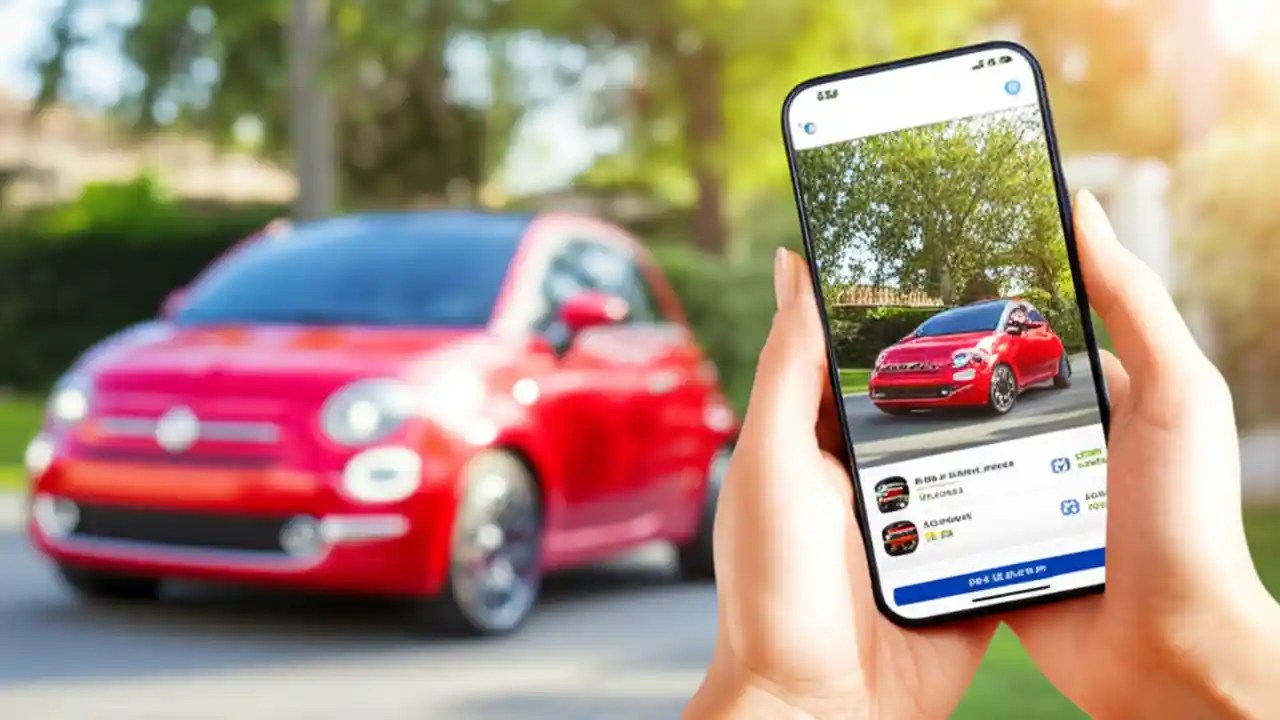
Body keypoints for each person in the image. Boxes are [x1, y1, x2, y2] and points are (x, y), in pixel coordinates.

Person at [683, 191, 1280, 719]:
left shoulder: (1012, 329)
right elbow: (899, 359)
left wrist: (783, 699)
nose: (911, 354)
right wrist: (786, 695)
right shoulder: (917, 344)